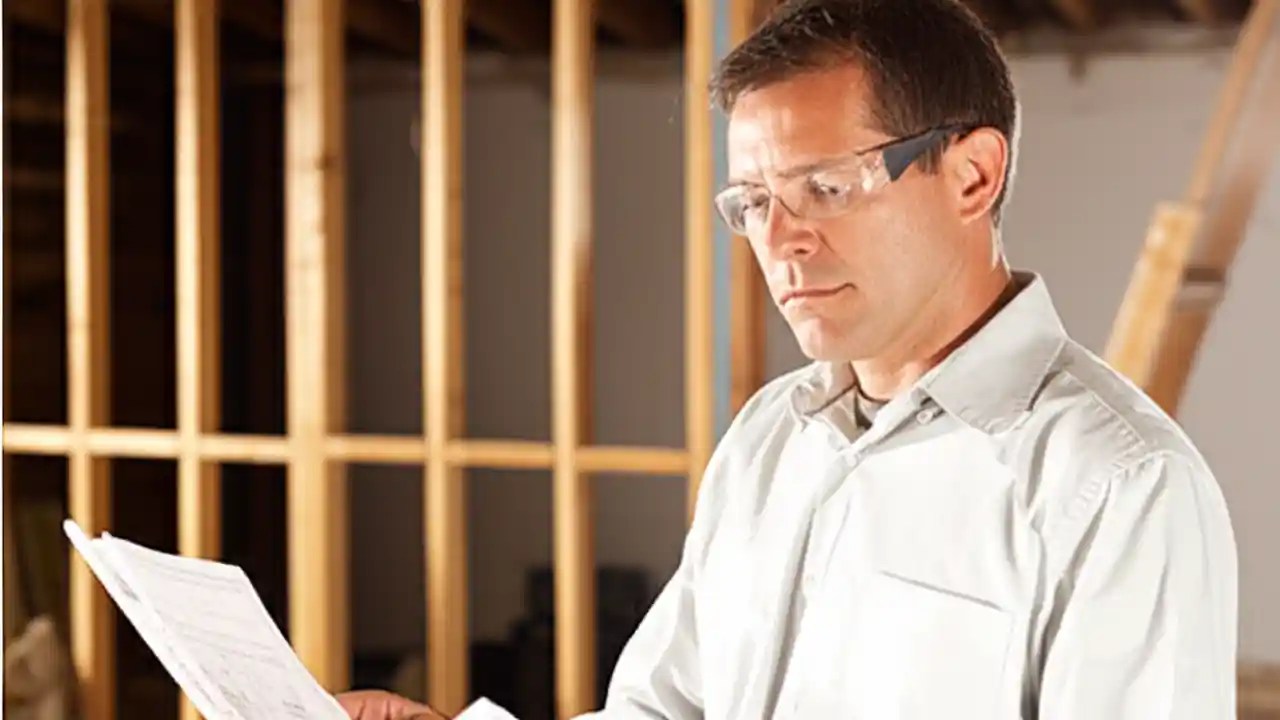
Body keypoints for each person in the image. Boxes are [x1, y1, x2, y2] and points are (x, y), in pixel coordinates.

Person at [340, 0, 1238, 717]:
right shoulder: (773, 436)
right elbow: (663, 709)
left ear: (972, 176)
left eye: (826, 188)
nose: (782, 242)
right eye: (754, 200)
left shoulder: (1117, 485)